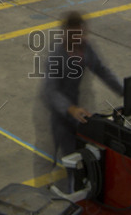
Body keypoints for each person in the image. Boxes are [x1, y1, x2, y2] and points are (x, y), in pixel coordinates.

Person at [35, 11, 125, 165]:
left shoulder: (85, 47)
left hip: (77, 107)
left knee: (80, 155)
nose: (78, 38)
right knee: (59, 155)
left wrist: (124, 90)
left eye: (81, 34)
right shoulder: (57, 55)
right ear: (65, 34)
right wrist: (71, 109)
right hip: (57, 112)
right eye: (74, 35)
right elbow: (50, 91)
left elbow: (102, 71)